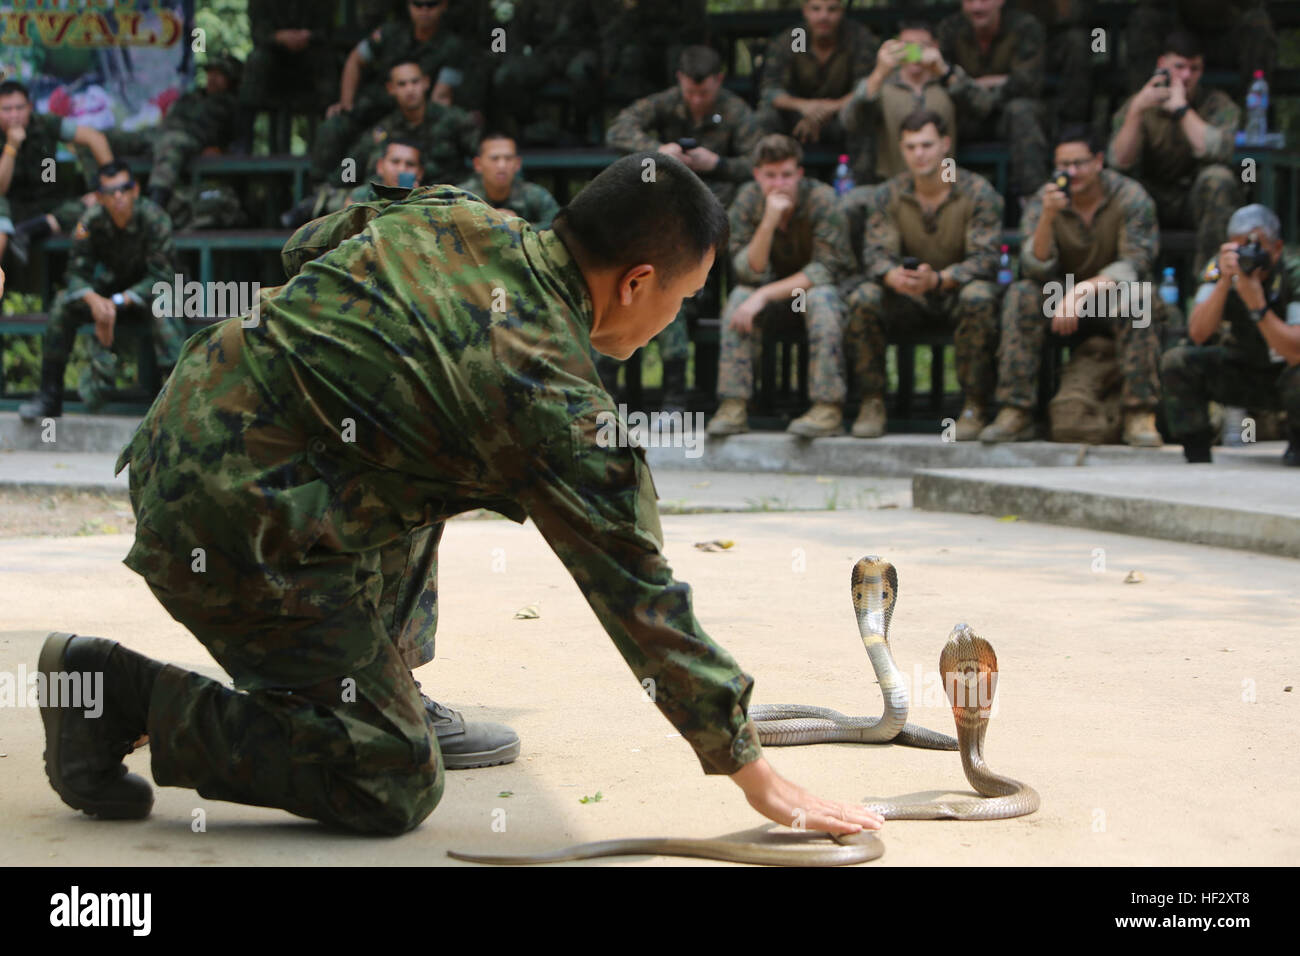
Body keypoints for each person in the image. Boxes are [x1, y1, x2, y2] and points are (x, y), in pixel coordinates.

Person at [35, 153, 884, 843]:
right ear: (635, 282)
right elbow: (639, 590)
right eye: (680, 300)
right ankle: (114, 697)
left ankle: (382, 683)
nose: (670, 321)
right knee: (391, 782)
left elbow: (310, 247)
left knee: (424, 442)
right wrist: (754, 772)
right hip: (230, 516)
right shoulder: (551, 398)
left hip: (191, 420)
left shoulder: (455, 215)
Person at [981, 125, 1163, 447]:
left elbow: (1136, 263)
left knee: (1140, 299)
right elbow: (1035, 265)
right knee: (1021, 294)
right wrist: (1048, 218)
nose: (1071, 172)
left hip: (1110, 295)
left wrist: (1081, 291)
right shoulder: (1044, 199)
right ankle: (1015, 409)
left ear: (1098, 161)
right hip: (1058, 294)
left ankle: (1139, 413)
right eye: (1063, 165)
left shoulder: (1130, 197)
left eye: (1079, 163)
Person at [844, 110, 1003, 440]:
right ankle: (872, 401)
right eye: (911, 146)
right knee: (864, 297)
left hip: (956, 294)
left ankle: (974, 404)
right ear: (901, 149)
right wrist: (892, 276)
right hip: (907, 298)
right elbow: (876, 254)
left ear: (945, 144)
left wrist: (941, 279)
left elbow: (986, 259)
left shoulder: (977, 191)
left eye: (927, 145)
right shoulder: (887, 193)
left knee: (980, 296)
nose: (919, 153)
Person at [706, 134, 855, 439]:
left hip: (813, 298)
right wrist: (769, 220)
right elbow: (748, 269)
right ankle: (734, 405)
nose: (779, 184)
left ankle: (827, 408)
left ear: (799, 174)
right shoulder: (749, 200)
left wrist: (763, 294)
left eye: (787, 175)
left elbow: (825, 269)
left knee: (821, 298)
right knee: (738, 297)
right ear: (757, 175)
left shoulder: (822, 199)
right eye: (770, 175)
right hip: (774, 302)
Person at [16, 163, 182, 422]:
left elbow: (161, 276)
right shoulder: (89, 221)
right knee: (62, 304)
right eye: (110, 191)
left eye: (124, 189)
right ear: (100, 195)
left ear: (135, 190)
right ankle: (50, 395)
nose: (118, 197)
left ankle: (176, 403)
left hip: (150, 291)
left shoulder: (154, 217)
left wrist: (114, 303)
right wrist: (94, 301)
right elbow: (75, 274)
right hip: (109, 291)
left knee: (164, 305)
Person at [1160, 204, 1300, 465]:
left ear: (1277, 248)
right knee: (1177, 361)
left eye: (1256, 246)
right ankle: (1197, 454)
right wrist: (1224, 282)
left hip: (1286, 375)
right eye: (1240, 247)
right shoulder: (1217, 267)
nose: (1248, 255)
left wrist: (1257, 305)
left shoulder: (1294, 270)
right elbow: (1197, 333)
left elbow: (1296, 351)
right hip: (1243, 369)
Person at [1108, 31, 1241, 276]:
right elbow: (1119, 161)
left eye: (1195, 68)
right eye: (1179, 67)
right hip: (1151, 199)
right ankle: (1130, 283)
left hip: (1196, 201)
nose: (1186, 76)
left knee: (1218, 179)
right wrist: (1137, 110)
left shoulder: (1217, 104)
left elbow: (1215, 150)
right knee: (1122, 188)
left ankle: (1210, 281)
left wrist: (1181, 109)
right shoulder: (1139, 103)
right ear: (1162, 65)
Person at [286, 59, 477, 228]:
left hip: (444, 201)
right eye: (402, 84)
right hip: (392, 206)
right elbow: (353, 162)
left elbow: (482, 157)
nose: (410, 89)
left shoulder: (453, 120)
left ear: (426, 83)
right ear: (391, 89)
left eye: (414, 82)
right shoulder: (384, 130)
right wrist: (339, 186)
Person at [309, 0, 470, 187]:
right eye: (418, 4)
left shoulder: (453, 46)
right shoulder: (390, 33)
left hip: (416, 118)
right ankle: (324, 192)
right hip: (375, 113)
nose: (424, 10)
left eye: (431, 4)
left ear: (443, 6)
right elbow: (355, 60)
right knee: (342, 135)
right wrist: (346, 102)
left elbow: (441, 96)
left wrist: (428, 120)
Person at [607, 45, 761, 210]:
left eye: (704, 93)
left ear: (719, 79)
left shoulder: (736, 110)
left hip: (718, 187)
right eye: (690, 92)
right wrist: (659, 151)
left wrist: (718, 163)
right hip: (667, 179)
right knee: (639, 175)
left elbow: (757, 164)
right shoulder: (667, 101)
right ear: (680, 78)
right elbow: (618, 131)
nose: (696, 100)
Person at [936, 0, 1048, 201]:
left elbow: (1025, 83)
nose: (977, 7)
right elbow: (939, 78)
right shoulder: (949, 28)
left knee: (1022, 112)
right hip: (965, 114)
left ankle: (1034, 203)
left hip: (1006, 115)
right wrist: (992, 83)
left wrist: (968, 84)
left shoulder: (1025, 27)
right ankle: (941, 197)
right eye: (970, 1)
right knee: (938, 110)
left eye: (985, 0)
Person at [757, 0, 879, 185]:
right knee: (767, 115)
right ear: (805, 11)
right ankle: (773, 181)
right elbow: (771, 90)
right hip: (799, 118)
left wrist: (829, 108)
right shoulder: (797, 39)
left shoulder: (857, 38)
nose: (824, 16)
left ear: (841, 11)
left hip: (842, 116)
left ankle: (860, 186)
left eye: (832, 9)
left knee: (864, 112)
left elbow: (866, 88)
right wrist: (804, 107)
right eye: (816, 9)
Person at [0, 79, 113, 268]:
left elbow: (95, 138)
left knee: (101, 204)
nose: (14, 115)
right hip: (11, 208)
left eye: (20, 108)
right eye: (7, 109)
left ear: (30, 107)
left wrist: (109, 183)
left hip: (51, 205)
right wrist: (12, 146)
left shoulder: (46, 123)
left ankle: (37, 229)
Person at [840, 20, 962, 182]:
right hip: (893, 187)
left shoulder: (949, 80)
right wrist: (879, 72)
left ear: (935, 46)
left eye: (923, 45)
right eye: (908, 46)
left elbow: (982, 107)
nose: (915, 52)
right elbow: (849, 121)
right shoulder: (881, 85)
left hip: (945, 182)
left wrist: (945, 72)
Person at [482, 0, 603, 145]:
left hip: (580, 50)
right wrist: (506, 55)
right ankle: (534, 125)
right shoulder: (527, 4)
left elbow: (605, 30)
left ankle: (579, 129)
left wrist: (608, 61)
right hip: (544, 54)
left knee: (582, 71)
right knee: (504, 76)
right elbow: (510, 32)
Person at [145, 54, 243, 211]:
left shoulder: (232, 104)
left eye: (220, 74)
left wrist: (222, 149)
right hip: (160, 135)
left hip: (190, 141)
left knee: (171, 142)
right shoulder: (192, 96)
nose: (212, 78)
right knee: (109, 138)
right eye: (211, 72)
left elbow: (238, 140)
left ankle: (154, 208)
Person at [240, 0, 339, 133]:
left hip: (311, 53)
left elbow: (327, 31)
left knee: (327, 62)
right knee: (255, 60)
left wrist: (307, 36)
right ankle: (243, 137)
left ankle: (331, 132)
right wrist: (278, 37)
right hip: (273, 55)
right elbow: (257, 32)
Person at [455, 133, 559, 228]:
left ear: (517, 164)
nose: (502, 166)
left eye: (508, 158)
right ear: (478, 164)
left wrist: (519, 226)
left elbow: (558, 227)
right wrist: (485, 222)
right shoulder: (461, 197)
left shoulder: (535, 195)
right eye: (494, 158)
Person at [346, 137, 424, 205]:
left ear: (420, 172)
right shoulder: (361, 196)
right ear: (380, 166)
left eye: (410, 164)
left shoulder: (426, 201)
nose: (402, 169)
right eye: (395, 161)